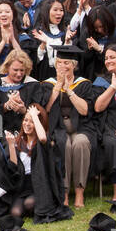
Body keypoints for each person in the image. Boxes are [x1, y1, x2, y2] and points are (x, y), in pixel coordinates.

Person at [44, 46, 93, 211]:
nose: (63, 66)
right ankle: (64, 192)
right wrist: (58, 87)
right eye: (59, 63)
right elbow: (47, 109)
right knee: (63, 143)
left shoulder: (84, 84)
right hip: (58, 128)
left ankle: (79, 191)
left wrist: (69, 91)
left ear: (74, 65)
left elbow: (84, 110)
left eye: (66, 63)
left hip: (81, 128)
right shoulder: (48, 84)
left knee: (80, 144)